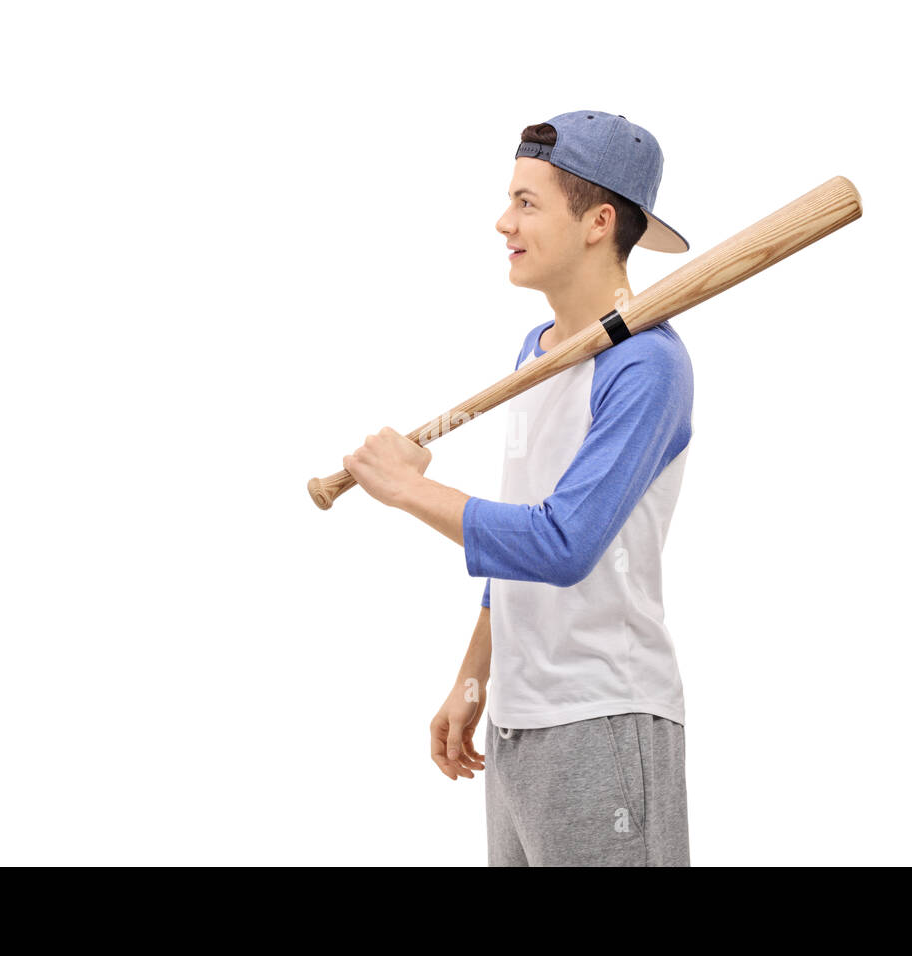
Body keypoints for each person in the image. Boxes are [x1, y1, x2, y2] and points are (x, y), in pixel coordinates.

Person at [343, 110, 695, 866]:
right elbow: (516, 544)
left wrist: (408, 490)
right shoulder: (534, 353)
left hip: (605, 721)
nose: (504, 221)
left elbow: (561, 543)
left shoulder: (647, 368)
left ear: (598, 222)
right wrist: (474, 680)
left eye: (528, 202)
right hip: (518, 722)